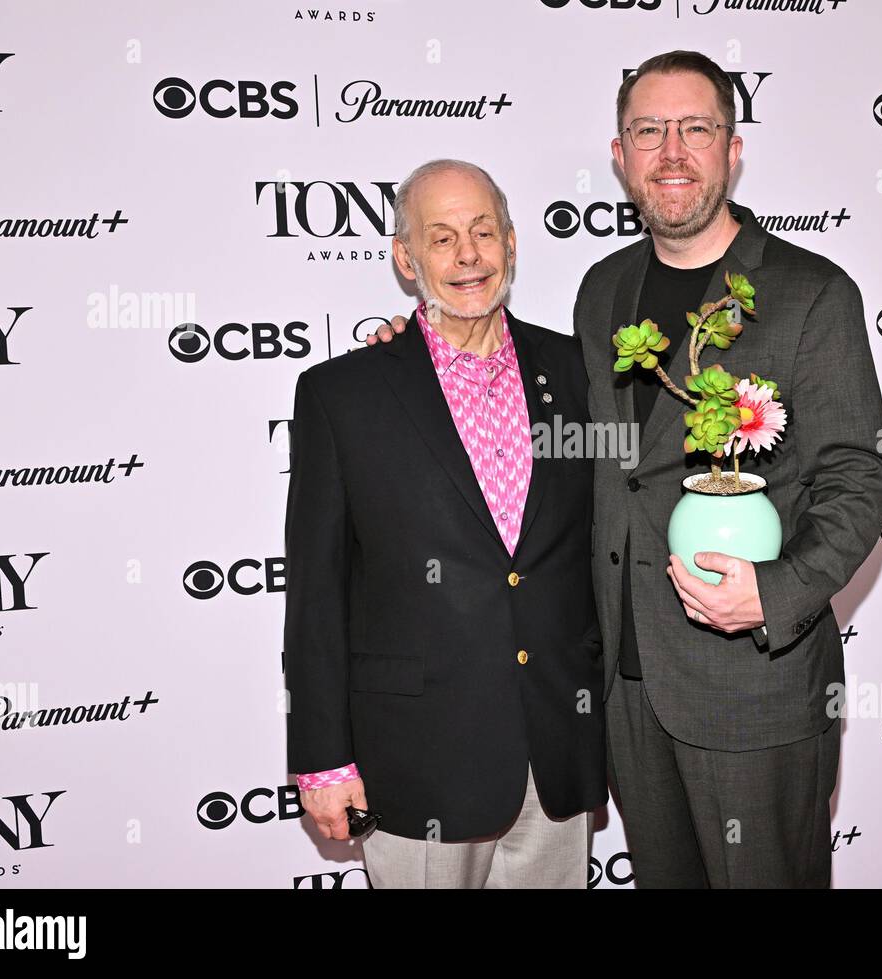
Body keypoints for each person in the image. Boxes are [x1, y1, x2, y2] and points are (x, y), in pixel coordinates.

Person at [366, 50, 882, 888]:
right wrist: (411, 350)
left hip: (751, 686)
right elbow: (536, 411)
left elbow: (859, 476)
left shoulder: (810, 293)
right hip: (621, 691)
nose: (672, 151)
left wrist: (777, 591)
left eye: (696, 128)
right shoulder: (601, 290)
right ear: (620, 156)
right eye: (649, 131)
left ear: (733, 147)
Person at [284, 159, 606, 888]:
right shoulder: (344, 395)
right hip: (417, 759)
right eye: (442, 237)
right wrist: (323, 760)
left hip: (555, 751)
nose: (468, 256)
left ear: (513, 243)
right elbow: (315, 594)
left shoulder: (580, 371)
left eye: (483, 232)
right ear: (406, 258)